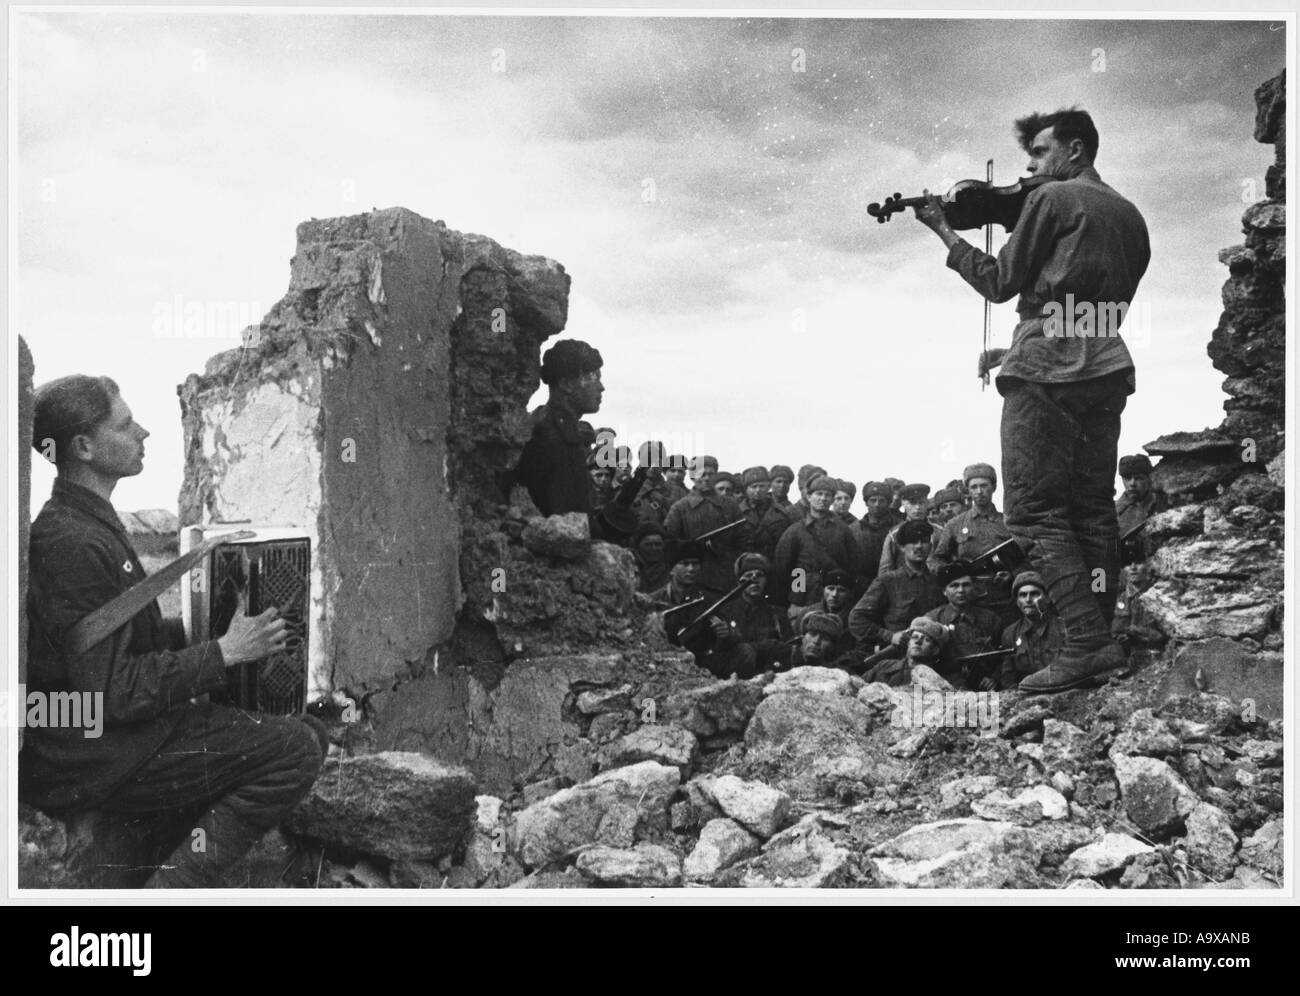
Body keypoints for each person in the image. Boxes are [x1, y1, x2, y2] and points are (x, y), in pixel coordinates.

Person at [21, 375, 325, 888]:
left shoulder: (86, 522)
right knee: (294, 751)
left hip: (100, 742)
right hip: (90, 754)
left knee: (300, 726)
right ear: (84, 448)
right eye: (125, 424)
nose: (143, 433)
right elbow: (113, 692)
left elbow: (116, 639)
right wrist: (224, 653)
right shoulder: (72, 540)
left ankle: (150, 853)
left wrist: (192, 631)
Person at [913, 107, 1150, 692]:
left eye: (1040, 155)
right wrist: (1022, 341)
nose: (1032, 169)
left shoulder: (1051, 200)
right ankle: (1099, 636)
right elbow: (1097, 306)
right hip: (1107, 367)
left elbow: (1000, 284)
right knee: (1092, 508)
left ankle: (1085, 644)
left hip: (1048, 373)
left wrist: (944, 230)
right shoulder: (1131, 215)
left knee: (1035, 514)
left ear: (1073, 150)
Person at [507, 340, 604, 517]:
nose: (601, 387)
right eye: (592, 377)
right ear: (566, 384)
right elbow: (572, 514)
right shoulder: (558, 435)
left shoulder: (542, 423)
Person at [930, 462, 1018, 626]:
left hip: (1005, 597)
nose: (979, 491)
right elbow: (936, 559)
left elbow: (1025, 557)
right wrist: (954, 574)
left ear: (993, 487)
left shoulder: (1008, 522)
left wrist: (1012, 574)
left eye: (984, 486)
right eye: (974, 487)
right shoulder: (955, 525)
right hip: (970, 601)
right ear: (968, 490)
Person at [772, 474, 860, 621]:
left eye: (828, 495)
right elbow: (786, 568)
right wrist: (797, 597)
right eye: (818, 494)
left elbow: (853, 565)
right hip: (804, 597)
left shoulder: (843, 530)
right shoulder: (796, 531)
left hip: (833, 598)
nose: (823, 499)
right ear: (808, 497)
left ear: (832, 499)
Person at [848, 519, 945, 652]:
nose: (919, 546)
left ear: (931, 546)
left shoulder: (938, 581)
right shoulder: (888, 581)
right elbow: (856, 620)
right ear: (902, 547)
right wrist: (890, 636)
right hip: (900, 656)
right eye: (913, 542)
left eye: (924, 541)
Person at [662, 456, 748, 596]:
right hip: (693, 577)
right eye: (702, 474)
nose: (707, 478)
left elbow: (744, 540)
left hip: (726, 575)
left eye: (711, 474)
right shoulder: (680, 508)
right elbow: (670, 544)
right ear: (692, 476)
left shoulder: (730, 505)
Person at [924, 561, 1003, 689]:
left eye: (966, 585)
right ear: (944, 591)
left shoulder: (991, 619)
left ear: (973, 587)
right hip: (946, 687)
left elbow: (1004, 656)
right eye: (954, 586)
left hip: (985, 687)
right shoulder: (932, 619)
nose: (961, 590)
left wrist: (995, 678)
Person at [999, 571, 1065, 690]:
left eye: (1034, 594)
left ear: (1047, 598)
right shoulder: (1010, 633)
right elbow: (1008, 677)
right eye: (1023, 595)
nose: (1028, 600)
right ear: (1017, 601)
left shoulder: (1063, 628)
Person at [862, 617, 952, 688]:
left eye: (927, 640)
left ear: (935, 650)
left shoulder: (939, 681)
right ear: (908, 643)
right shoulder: (884, 666)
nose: (918, 641)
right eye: (915, 637)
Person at [878, 483, 943, 576]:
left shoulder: (939, 531)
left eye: (921, 503)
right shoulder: (894, 534)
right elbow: (885, 570)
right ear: (903, 504)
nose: (917, 508)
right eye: (912, 503)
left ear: (927, 503)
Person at [793, 568, 856, 661]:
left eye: (841, 590)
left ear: (849, 594)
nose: (834, 594)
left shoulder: (855, 619)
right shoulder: (807, 613)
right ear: (823, 590)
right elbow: (796, 641)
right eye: (830, 588)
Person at [1116, 453, 1167, 566]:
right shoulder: (1115, 512)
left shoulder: (1164, 503)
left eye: (1138, 478)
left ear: (1149, 478)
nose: (1132, 484)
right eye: (1127, 478)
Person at [737, 466, 794, 568]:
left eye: (762, 486)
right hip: (745, 567)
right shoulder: (737, 513)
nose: (758, 490)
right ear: (746, 490)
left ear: (768, 487)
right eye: (753, 487)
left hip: (773, 566)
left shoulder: (782, 513)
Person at [849, 481, 899, 589]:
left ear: (888, 502)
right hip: (861, 586)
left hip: (893, 584)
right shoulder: (853, 529)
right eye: (873, 500)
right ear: (866, 503)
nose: (877, 504)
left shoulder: (898, 527)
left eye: (882, 500)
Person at [647, 541, 705, 607]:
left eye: (695, 563)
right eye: (685, 563)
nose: (691, 569)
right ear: (671, 569)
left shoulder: (708, 600)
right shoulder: (651, 601)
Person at [631, 522, 669, 593]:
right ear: (638, 547)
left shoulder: (671, 567)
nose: (654, 548)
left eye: (658, 544)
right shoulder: (630, 566)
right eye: (648, 545)